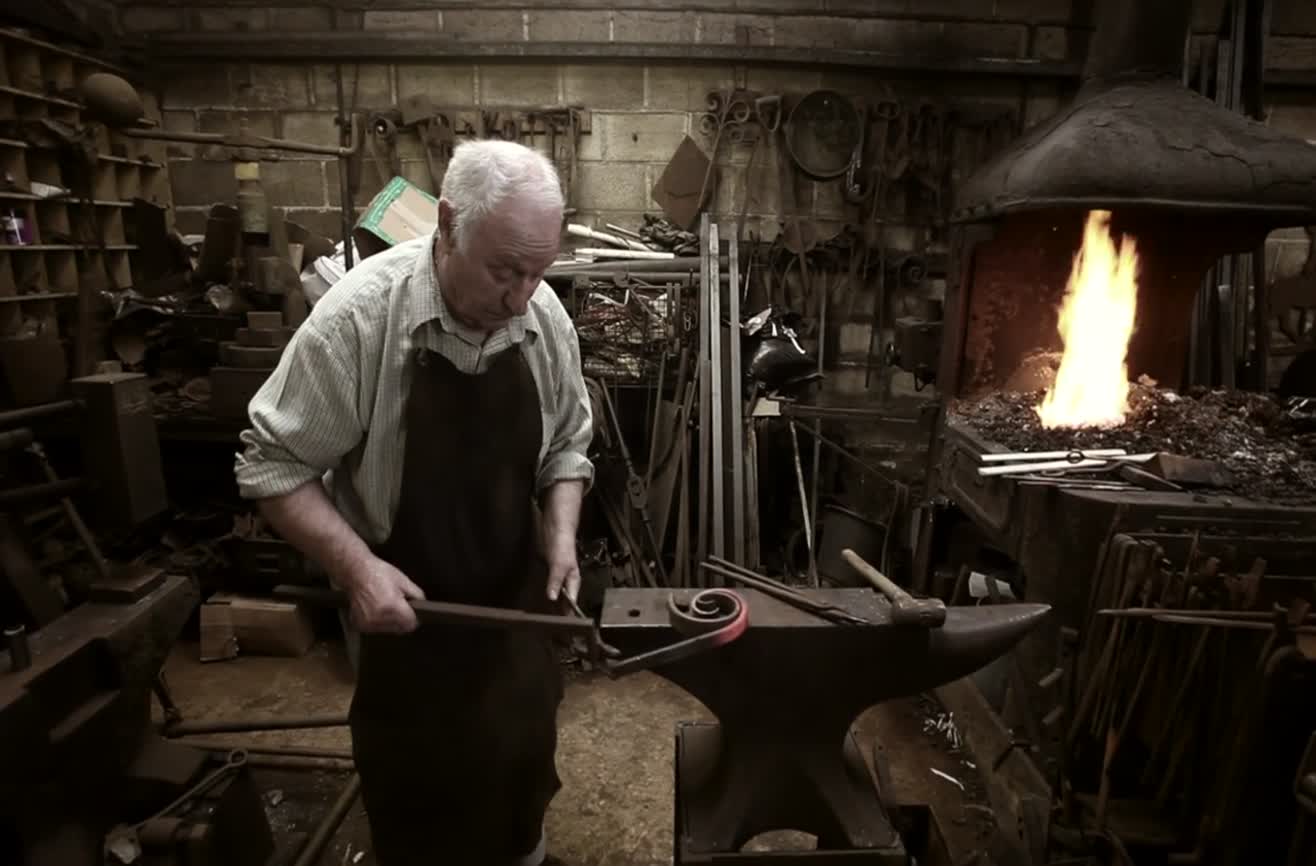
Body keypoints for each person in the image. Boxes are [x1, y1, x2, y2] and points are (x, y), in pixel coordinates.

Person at [234, 139, 593, 866]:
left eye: (538, 272)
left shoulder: (543, 317)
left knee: (520, 764)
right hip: (403, 615)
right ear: (449, 224)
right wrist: (357, 570)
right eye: (504, 271)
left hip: (511, 602)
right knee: (417, 788)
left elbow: (566, 447)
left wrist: (560, 537)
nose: (521, 297)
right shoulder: (358, 321)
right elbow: (272, 465)